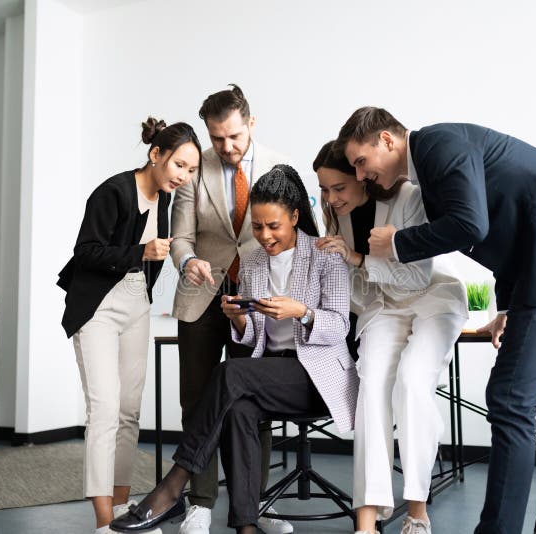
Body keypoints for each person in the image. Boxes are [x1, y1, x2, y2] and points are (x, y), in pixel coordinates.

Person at [335, 108, 536, 534]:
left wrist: (396, 242)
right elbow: (505, 230)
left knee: (510, 398)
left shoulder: (434, 146)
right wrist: (505, 308)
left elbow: (471, 224)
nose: (361, 175)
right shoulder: (433, 163)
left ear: (387, 141)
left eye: (361, 162)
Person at [111, 164, 359, 534]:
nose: (264, 235)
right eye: (257, 226)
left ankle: (174, 482)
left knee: (229, 371)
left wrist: (301, 312)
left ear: (294, 216)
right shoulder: (254, 262)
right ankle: (246, 525)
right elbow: (253, 337)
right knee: (240, 408)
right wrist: (239, 319)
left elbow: (339, 326)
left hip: (317, 378)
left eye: (273, 226)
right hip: (270, 374)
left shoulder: (326, 255)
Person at [314, 141, 468, 534]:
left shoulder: (408, 197)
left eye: (339, 188)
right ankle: (367, 519)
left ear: (362, 178)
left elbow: (416, 276)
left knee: (413, 382)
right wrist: (337, 269)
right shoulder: (333, 215)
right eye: (325, 190)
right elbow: (360, 292)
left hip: (433, 298)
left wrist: (356, 259)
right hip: (385, 305)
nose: (331, 199)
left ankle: (417, 511)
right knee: (371, 388)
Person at [56, 118, 202, 534]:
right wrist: (141, 250)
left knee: (128, 412)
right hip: (99, 306)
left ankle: (122, 507)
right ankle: (104, 522)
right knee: (103, 410)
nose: (184, 177)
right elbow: (85, 252)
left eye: (191, 170)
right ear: (156, 155)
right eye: (179, 166)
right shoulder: (114, 191)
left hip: (135, 302)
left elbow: (151, 263)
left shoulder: (167, 199)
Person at [169, 84, 292, 534]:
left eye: (234, 136)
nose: (226, 147)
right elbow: (180, 237)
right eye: (217, 138)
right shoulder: (195, 166)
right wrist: (188, 260)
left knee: (252, 404)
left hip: (257, 297)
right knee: (198, 399)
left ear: (251, 124)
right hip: (202, 296)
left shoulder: (280, 165)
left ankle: (254, 504)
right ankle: (200, 502)